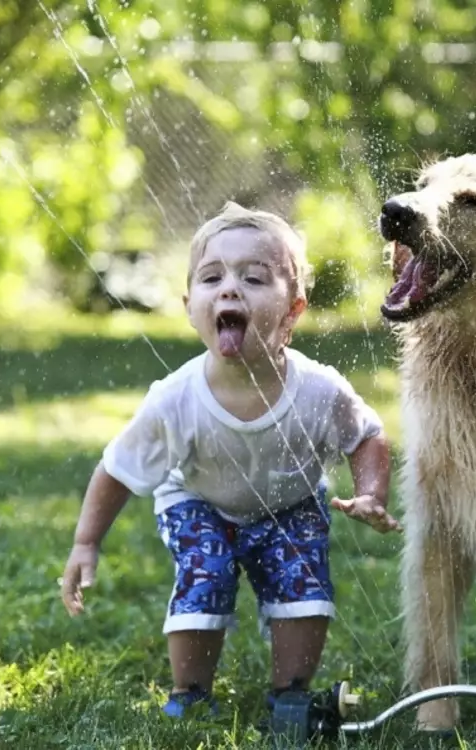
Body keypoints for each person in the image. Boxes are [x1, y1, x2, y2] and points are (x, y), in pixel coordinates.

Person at [59, 202, 398, 718]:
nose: (230, 288)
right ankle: (190, 694)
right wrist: (86, 543)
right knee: (206, 572)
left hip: (292, 502)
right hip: (198, 501)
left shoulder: (318, 389)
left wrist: (372, 492)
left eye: (255, 278)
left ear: (293, 311)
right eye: (211, 277)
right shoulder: (174, 399)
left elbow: (366, 435)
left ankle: (290, 696)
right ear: (189, 305)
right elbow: (117, 469)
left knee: (304, 586)